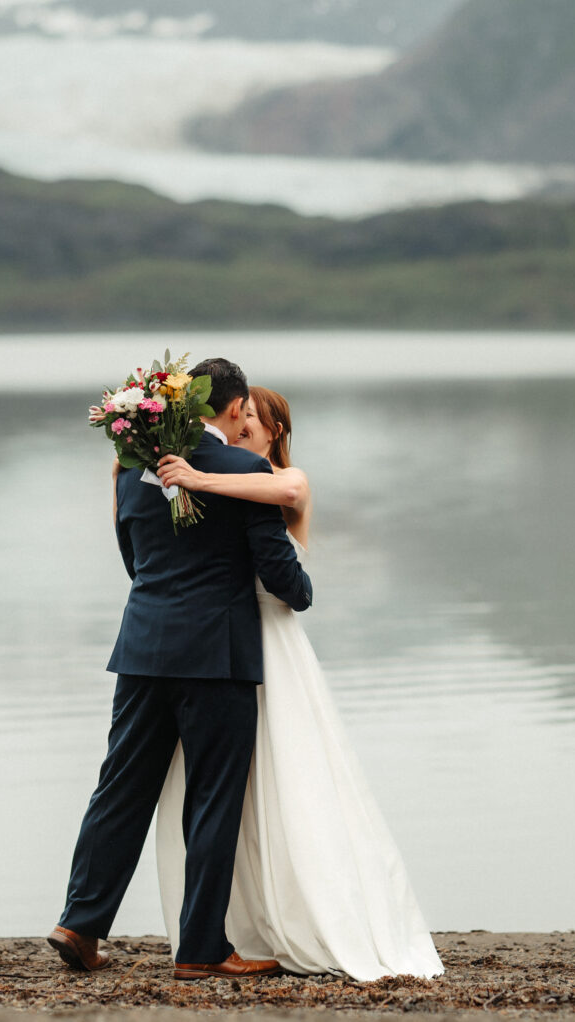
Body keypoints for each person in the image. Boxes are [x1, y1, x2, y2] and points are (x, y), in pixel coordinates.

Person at [153, 386, 444, 981]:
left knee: (293, 777)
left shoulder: (280, 479)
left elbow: (284, 492)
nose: (241, 432)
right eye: (241, 421)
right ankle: (234, 922)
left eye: (253, 423)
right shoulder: (235, 477)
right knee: (226, 792)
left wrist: (200, 481)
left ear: (275, 431)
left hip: (276, 645)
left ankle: (304, 912)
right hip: (225, 647)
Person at [51, 359, 313, 982]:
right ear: (233, 408)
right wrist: (303, 590)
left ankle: (80, 922)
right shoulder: (247, 471)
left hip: (143, 648)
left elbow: (132, 557)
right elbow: (280, 574)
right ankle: (200, 948)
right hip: (216, 656)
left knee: (120, 788)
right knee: (212, 799)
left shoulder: (132, 467)